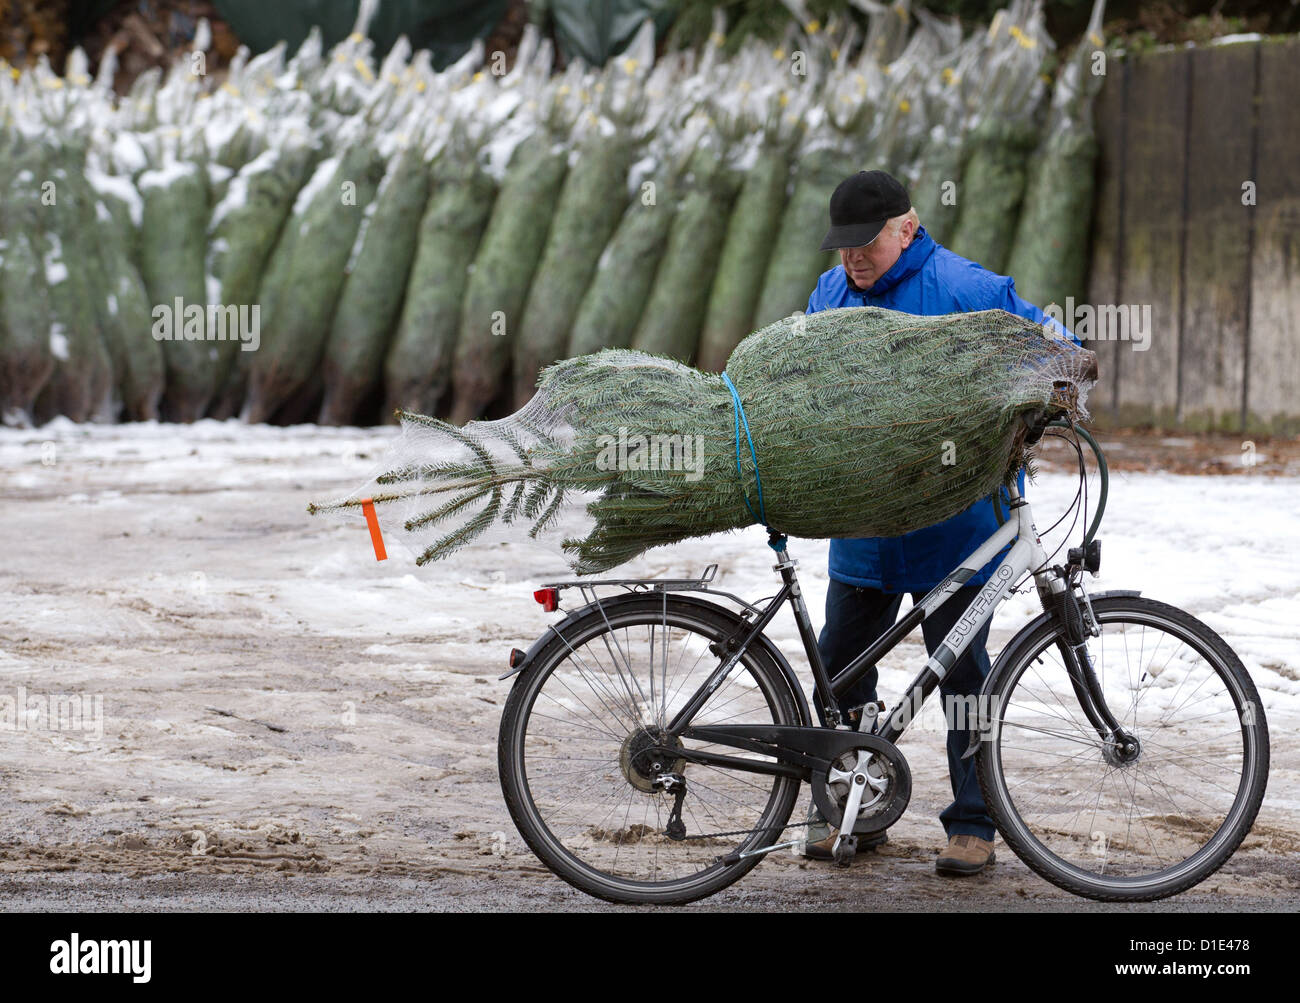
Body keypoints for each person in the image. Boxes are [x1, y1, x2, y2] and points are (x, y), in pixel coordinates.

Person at [802, 170, 1075, 876]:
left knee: (964, 681)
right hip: (863, 525)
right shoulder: (830, 296)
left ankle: (973, 823)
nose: (854, 258)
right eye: (844, 248)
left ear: (907, 226)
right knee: (840, 671)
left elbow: (1050, 338)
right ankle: (850, 804)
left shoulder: (966, 290)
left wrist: (1067, 374)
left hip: (953, 527)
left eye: (867, 244)